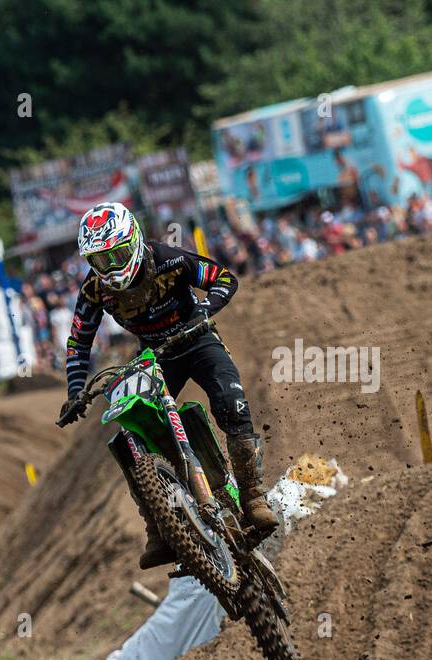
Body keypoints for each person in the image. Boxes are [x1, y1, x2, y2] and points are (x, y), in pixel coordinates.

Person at [58, 202, 279, 568]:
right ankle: (158, 527)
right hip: (156, 356)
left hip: (197, 339)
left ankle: (254, 498)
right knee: (129, 434)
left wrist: (205, 312)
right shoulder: (94, 291)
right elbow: (78, 342)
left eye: (118, 255)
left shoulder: (167, 258)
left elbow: (224, 278)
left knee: (229, 401)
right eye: (100, 261)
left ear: (134, 241)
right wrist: (74, 392)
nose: (111, 268)